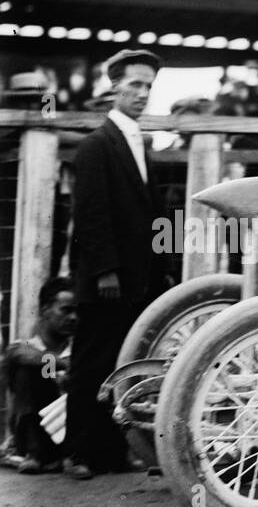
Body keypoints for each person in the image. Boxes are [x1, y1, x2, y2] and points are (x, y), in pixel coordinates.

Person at [64, 49, 170, 480]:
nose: (143, 94)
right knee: (92, 362)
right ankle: (78, 453)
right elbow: (90, 214)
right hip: (106, 277)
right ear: (114, 88)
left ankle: (111, 451)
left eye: (148, 87)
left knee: (123, 364)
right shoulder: (95, 145)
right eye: (135, 85)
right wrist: (104, 270)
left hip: (137, 276)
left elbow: (154, 211)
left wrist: (163, 264)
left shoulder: (140, 144)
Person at [3, 277, 76, 474]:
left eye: (77, 312)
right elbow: (18, 355)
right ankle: (33, 454)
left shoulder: (77, 349)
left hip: (68, 437)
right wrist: (61, 364)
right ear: (44, 310)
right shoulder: (26, 345)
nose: (73, 317)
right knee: (28, 370)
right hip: (32, 438)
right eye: (66, 310)